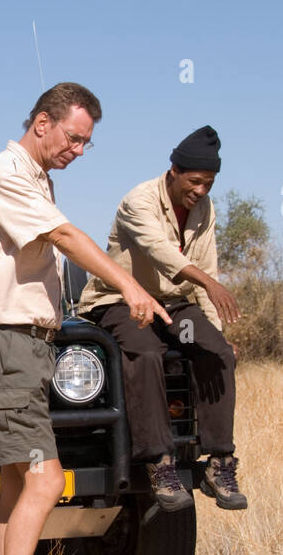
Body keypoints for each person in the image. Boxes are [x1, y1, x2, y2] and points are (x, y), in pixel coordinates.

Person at [0, 83, 169, 555]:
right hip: (4, 343)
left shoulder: (35, 177)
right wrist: (128, 283)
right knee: (47, 479)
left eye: (86, 143)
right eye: (74, 137)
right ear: (43, 122)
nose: (78, 149)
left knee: (14, 486)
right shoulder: (6, 172)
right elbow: (65, 236)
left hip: (23, 345)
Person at [77, 126, 246, 512]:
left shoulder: (205, 209)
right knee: (145, 352)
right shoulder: (138, 200)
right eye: (195, 181)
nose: (201, 191)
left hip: (171, 303)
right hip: (121, 299)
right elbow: (160, 252)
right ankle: (159, 463)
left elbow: (207, 267)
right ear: (174, 171)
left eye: (209, 183)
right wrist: (208, 282)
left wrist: (216, 333)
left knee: (218, 353)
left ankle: (219, 462)